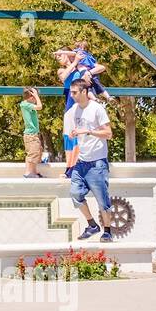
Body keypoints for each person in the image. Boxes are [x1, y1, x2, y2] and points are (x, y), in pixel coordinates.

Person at [63, 79, 114, 241]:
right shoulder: (73, 110)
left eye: (74, 92)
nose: (72, 95)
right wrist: (73, 133)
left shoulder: (97, 109)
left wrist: (89, 131)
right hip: (81, 162)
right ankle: (92, 225)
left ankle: (107, 231)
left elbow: (108, 133)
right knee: (75, 193)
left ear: (84, 92)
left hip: (97, 162)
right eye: (71, 92)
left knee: (102, 200)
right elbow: (72, 131)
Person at [19, 87, 43, 178]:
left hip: (33, 134)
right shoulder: (26, 104)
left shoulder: (27, 105)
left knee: (36, 152)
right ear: (31, 96)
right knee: (32, 153)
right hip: (31, 135)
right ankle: (28, 172)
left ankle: (33, 171)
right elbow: (40, 107)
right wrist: (36, 95)